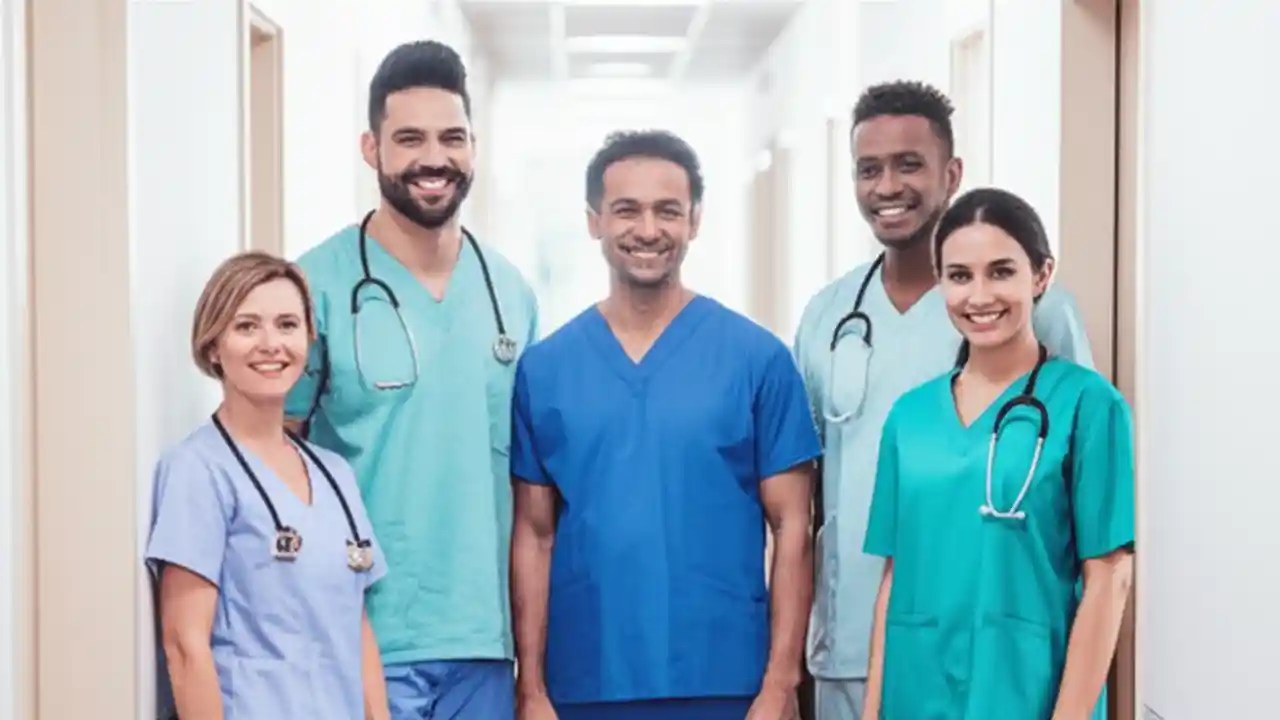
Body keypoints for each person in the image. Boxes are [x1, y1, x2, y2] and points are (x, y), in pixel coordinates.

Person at [792, 80, 1095, 719]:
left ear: (951, 174)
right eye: (868, 169)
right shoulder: (827, 316)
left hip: (998, 643)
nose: (887, 187)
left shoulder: (1036, 308)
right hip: (847, 643)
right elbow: (806, 489)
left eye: (909, 165)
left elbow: (1081, 477)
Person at [509, 130, 821, 720]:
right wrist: (532, 689)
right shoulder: (545, 369)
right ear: (594, 221)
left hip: (726, 679)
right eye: (627, 210)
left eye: (668, 211)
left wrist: (781, 683)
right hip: (586, 682)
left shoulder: (757, 360)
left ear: (695, 221)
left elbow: (792, 526)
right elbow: (534, 533)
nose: (648, 229)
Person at [284, 40, 539, 718]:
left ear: (474, 147)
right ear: (371, 149)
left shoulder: (510, 292)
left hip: (484, 640)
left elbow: (531, 486)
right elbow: (275, 458)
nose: (434, 158)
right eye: (409, 139)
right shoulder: (316, 285)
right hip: (358, 634)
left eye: (452, 138)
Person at [861, 187, 1134, 718]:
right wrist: (872, 711)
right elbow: (894, 578)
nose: (979, 295)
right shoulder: (909, 417)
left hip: (1027, 695)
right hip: (916, 695)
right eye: (960, 276)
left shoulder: (1088, 404)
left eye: (1001, 271)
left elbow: (1109, 576)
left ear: (1041, 275)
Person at [146, 251, 390, 719]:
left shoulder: (334, 474)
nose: (270, 344)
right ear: (213, 346)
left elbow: (356, 630)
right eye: (246, 326)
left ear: (309, 339)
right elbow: (184, 644)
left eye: (287, 325)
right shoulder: (199, 470)